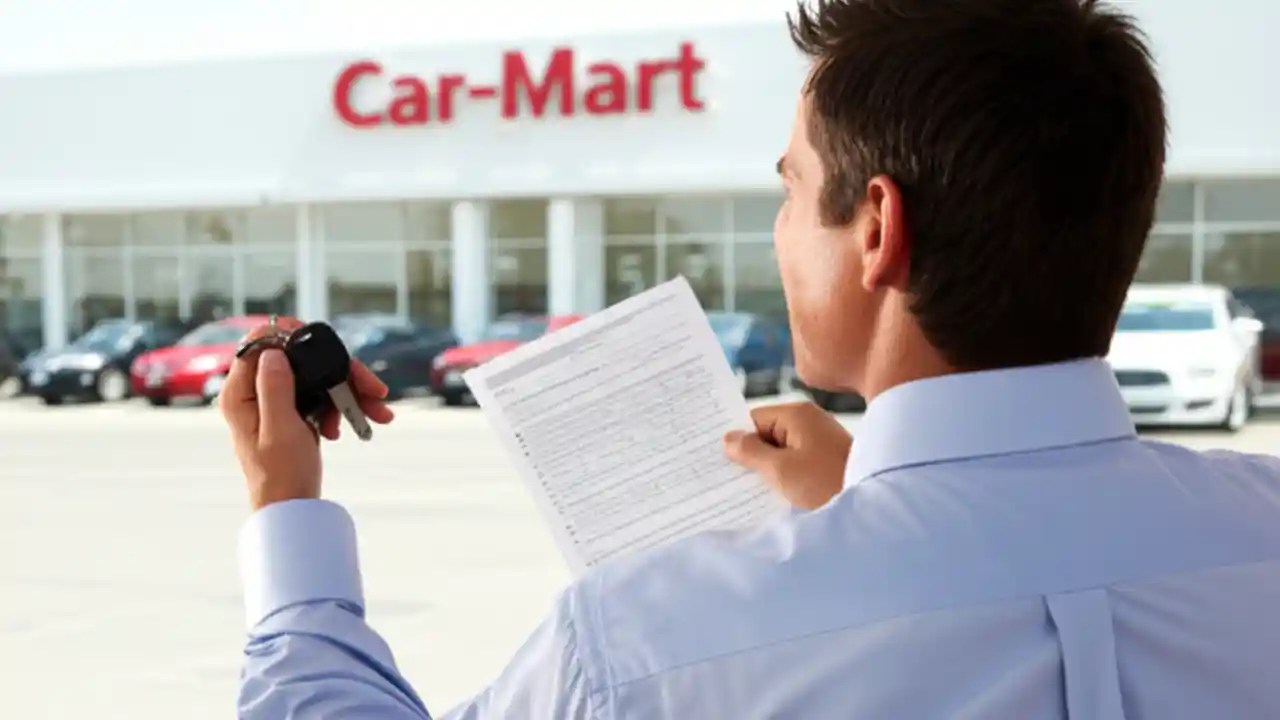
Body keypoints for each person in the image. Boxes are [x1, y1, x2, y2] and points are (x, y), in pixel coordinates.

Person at [225, 0, 1280, 717]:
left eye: (786, 186)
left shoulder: (641, 646)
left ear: (876, 231)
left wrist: (288, 517)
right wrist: (852, 496)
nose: (778, 226)